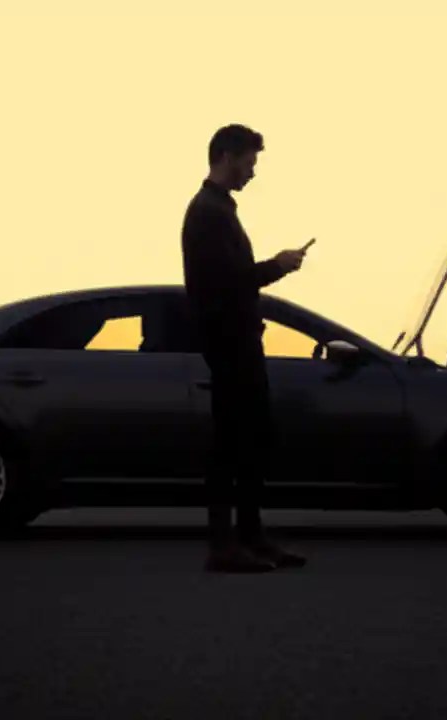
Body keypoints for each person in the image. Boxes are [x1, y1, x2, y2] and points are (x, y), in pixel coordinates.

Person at [180, 123, 312, 573]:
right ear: (228, 156)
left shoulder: (217, 210)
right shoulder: (208, 213)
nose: (252, 173)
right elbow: (228, 281)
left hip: (237, 342)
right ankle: (225, 546)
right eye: (249, 163)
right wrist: (278, 265)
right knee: (231, 445)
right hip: (229, 344)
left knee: (250, 442)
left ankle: (250, 538)